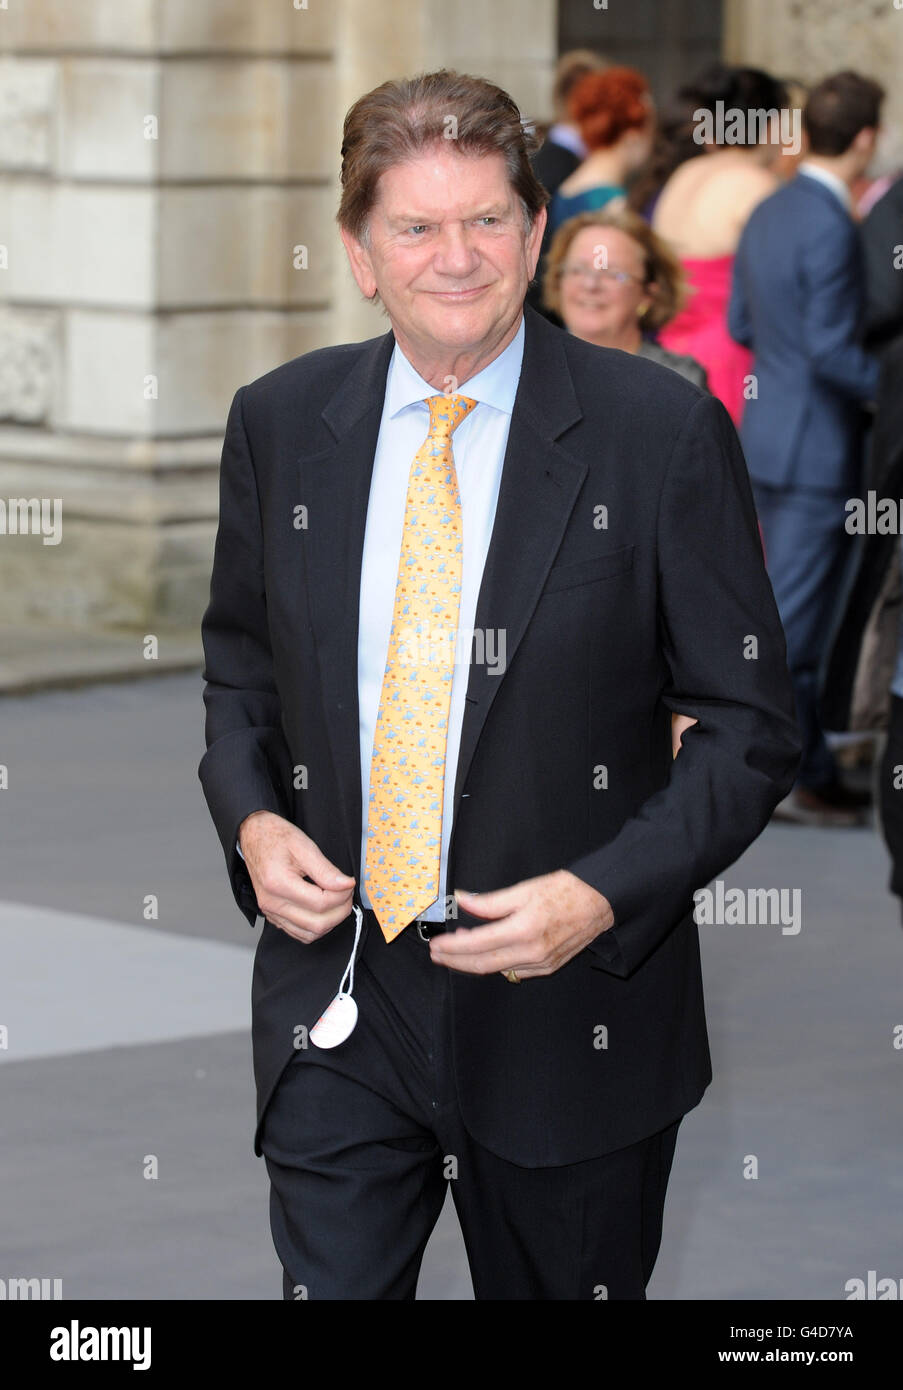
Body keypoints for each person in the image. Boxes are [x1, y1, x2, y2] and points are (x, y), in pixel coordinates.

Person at [198, 68, 801, 1302]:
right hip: (343, 1002)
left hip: (568, 1013)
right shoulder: (279, 421)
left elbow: (748, 727)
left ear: (535, 232)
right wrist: (254, 823)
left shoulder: (659, 432)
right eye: (415, 227)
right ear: (363, 254)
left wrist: (600, 893)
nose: (454, 256)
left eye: (485, 220)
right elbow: (240, 670)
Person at [728, 70, 884, 827]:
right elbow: (828, 350)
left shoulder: (769, 208)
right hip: (815, 445)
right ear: (865, 137)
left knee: (782, 611)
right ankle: (786, 774)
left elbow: (739, 324)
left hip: (767, 434)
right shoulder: (827, 221)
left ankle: (808, 765)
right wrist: (887, 391)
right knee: (794, 621)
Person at [652, 65, 789, 425]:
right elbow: (783, 289)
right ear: (771, 124)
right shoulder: (758, 184)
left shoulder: (684, 173)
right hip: (729, 358)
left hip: (670, 348)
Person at [543, 206, 709, 388]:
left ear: (648, 294)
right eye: (578, 270)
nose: (590, 285)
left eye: (612, 274)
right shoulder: (530, 369)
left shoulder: (678, 382)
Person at [546, 67, 654, 237]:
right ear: (631, 135)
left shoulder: (568, 189)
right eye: (649, 128)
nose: (652, 140)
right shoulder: (614, 205)